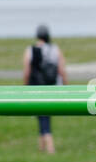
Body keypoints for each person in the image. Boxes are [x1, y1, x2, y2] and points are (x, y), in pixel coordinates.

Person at [23, 24, 67, 154]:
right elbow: (61, 70)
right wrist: (65, 86)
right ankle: (43, 145)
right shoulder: (54, 49)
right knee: (44, 115)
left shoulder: (30, 50)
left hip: (35, 87)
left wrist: (25, 87)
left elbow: (26, 71)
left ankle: (49, 146)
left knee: (42, 115)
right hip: (50, 86)